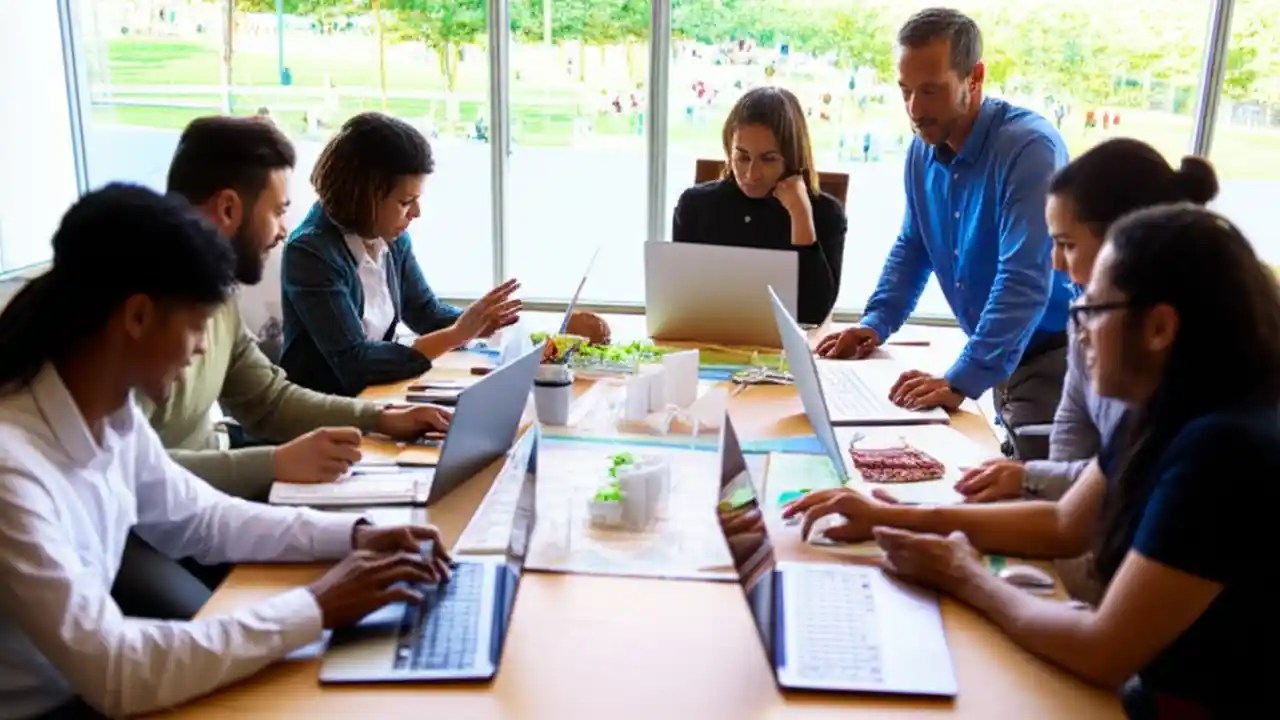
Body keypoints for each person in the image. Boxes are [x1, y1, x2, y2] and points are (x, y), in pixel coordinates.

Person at [786, 204, 1280, 716]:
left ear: (1159, 329)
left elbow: (1103, 649)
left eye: (1092, 309)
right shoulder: (1169, 404)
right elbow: (1065, 523)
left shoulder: (1223, 450)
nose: (1078, 330)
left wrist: (964, 576)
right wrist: (890, 515)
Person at [0, 184, 452, 719]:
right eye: (195, 326)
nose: (198, 348)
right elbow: (115, 670)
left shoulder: (112, 416)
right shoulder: (14, 469)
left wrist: (355, 536)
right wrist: (317, 605)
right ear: (138, 317)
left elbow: (204, 520)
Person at [114, 116, 454, 622]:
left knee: (357, 567)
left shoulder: (216, 293)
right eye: (278, 211)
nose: (283, 232)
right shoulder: (130, 320)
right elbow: (131, 481)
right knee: (244, 619)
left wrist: (380, 418)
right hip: (131, 531)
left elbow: (267, 400)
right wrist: (272, 464)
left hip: (205, 505)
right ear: (229, 208)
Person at [816, 8, 1072, 460]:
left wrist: (961, 378)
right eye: (905, 91)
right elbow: (913, 246)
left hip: (1055, 361)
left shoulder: (1029, 149)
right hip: (1002, 360)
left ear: (974, 78)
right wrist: (874, 324)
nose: (914, 110)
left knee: (1033, 506)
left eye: (930, 91)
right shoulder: (922, 150)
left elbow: (1024, 279)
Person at [956, 139, 1219, 503]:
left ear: (1124, 239)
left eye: (1068, 244)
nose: (1056, 263)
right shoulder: (1088, 319)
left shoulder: (1188, 356)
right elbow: (1073, 477)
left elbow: (1119, 491)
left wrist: (1029, 480)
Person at [281, 112, 522, 396]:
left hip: (378, 398)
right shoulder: (310, 253)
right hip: (326, 414)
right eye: (406, 202)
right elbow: (355, 363)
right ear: (364, 195)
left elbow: (425, 313)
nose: (416, 214)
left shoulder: (391, 238)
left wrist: (488, 321)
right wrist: (458, 333)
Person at [672, 86, 847, 326]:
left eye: (768, 159)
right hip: (708, 340)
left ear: (792, 158)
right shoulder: (696, 206)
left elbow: (813, 314)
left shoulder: (825, 213)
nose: (751, 174)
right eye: (742, 157)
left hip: (783, 352)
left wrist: (800, 216)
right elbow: (678, 301)